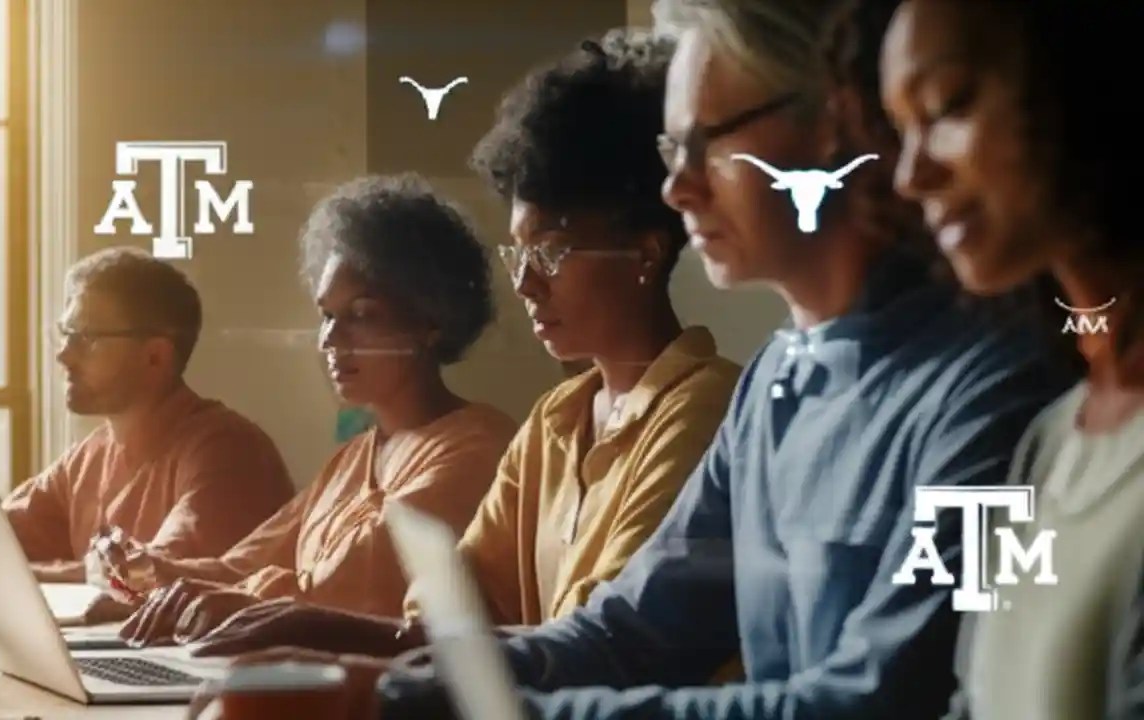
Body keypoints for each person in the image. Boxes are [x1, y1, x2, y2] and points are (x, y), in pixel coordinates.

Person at [375, 0, 1074, 717]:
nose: (678, 189)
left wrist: (500, 709)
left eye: (707, 142)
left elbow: (879, 700)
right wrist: (395, 684)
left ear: (840, 122)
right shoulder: (776, 380)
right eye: (671, 153)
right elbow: (636, 627)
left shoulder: (1000, 390)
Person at [176, 29, 742, 661]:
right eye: (519, 253)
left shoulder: (706, 412)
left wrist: (324, 630)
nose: (525, 283)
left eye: (551, 252)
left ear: (645, 252)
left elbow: (600, 645)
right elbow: (449, 608)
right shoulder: (554, 421)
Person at [92, 174, 519, 646]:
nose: (331, 341)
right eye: (327, 316)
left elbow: (342, 595)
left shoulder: (476, 450)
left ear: (430, 322)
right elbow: (241, 566)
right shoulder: (354, 457)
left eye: (361, 315)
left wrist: (221, 596)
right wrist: (148, 569)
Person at [880, 2, 1144, 717]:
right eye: (901, 129)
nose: (909, 175)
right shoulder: (1049, 444)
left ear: (1082, 75)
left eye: (947, 107)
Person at [0, 247, 294, 614]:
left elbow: (150, 578)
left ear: (155, 357)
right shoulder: (87, 458)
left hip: (198, 686)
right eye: (65, 335)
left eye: (86, 338)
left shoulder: (228, 453)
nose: (64, 355)